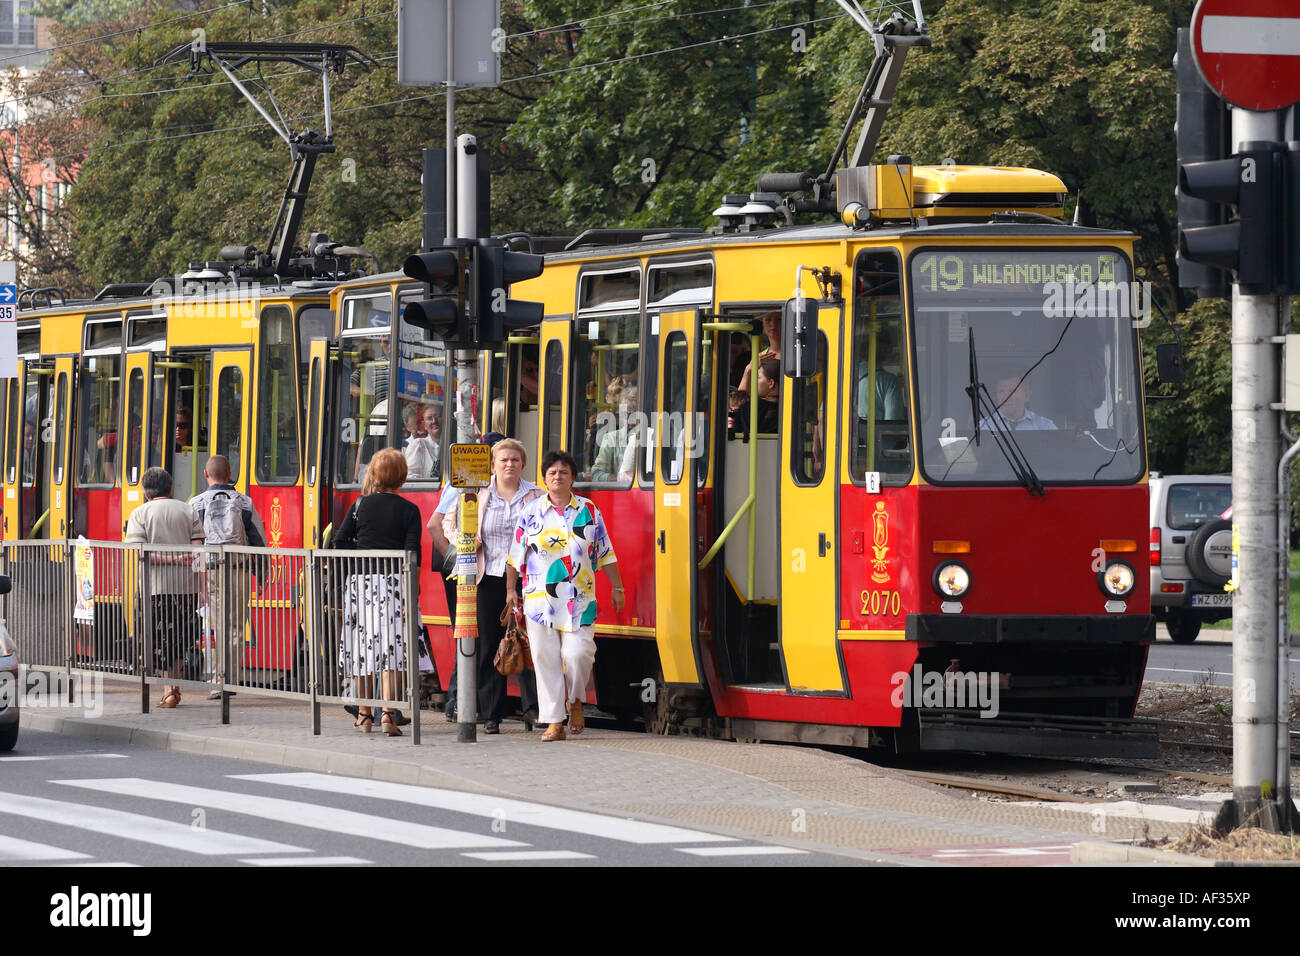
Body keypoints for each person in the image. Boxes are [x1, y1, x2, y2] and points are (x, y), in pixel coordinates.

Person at [506, 450, 625, 742]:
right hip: (538, 599)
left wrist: (618, 587)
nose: (557, 477)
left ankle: (574, 699)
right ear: (545, 479)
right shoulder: (531, 511)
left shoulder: (589, 510)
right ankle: (554, 722)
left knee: (579, 655)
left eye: (563, 472)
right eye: (552, 473)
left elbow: (605, 552)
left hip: (581, 599)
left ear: (572, 478)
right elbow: (515, 555)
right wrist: (511, 590)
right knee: (545, 660)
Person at [334, 448, 422, 736]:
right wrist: (412, 592)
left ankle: (363, 715)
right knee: (391, 651)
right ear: (402, 476)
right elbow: (412, 553)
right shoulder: (410, 510)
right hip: (396, 584)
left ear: (373, 473)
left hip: (362, 584)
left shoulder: (360, 505)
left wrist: (363, 552)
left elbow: (340, 541)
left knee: (363, 650)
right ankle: (388, 713)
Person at [466, 437, 544, 733]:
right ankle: (491, 714)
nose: (510, 464)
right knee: (490, 645)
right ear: (493, 465)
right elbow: (450, 520)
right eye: (504, 460)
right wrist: (466, 537)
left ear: (523, 464)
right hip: (489, 576)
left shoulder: (535, 495)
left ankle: (533, 709)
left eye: (515, 460)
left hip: (528, 577)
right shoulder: (478, 493)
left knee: (529, 642)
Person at [124, 467, 205, 709]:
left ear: (146, 492)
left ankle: (169, 690)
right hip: (186, 587)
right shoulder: (187, 510)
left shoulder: (139, 513)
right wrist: (201, 586)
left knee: (158, 641)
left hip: (154, 588)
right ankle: (173, 685)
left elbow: (140, 553)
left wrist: (170, 559)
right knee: (181, 638)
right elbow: (198, 547)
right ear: (170, 488)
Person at [188, 454, 267, 700]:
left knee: (218, 625)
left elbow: (195, 544)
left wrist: (194, 576)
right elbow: (258, 539)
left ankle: (219, 680)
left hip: (212, 570)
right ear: (230, 472)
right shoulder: (244, 502)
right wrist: (262, 574)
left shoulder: (196, 503)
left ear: (206, 474)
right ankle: (230, 679)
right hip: (239, 569)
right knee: (236, 627)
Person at [979, 374, 1057, 431]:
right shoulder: (984, 426)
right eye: (1001, 391)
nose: (1006, 397)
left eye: (1012, 391)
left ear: (1027, 395)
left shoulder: (1045, 426)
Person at [730, 357, 780, 435]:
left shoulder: (749, 408)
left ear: (771, 383)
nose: (753, 381)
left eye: (758, 377)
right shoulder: (791, 409)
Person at [736, 310, 782, 394]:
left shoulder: (796, 354)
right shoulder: (759, 357)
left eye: (779, 319)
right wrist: (748, 370)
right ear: (762, 323)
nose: (773, 325)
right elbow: (739, 399)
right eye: (768, 320)